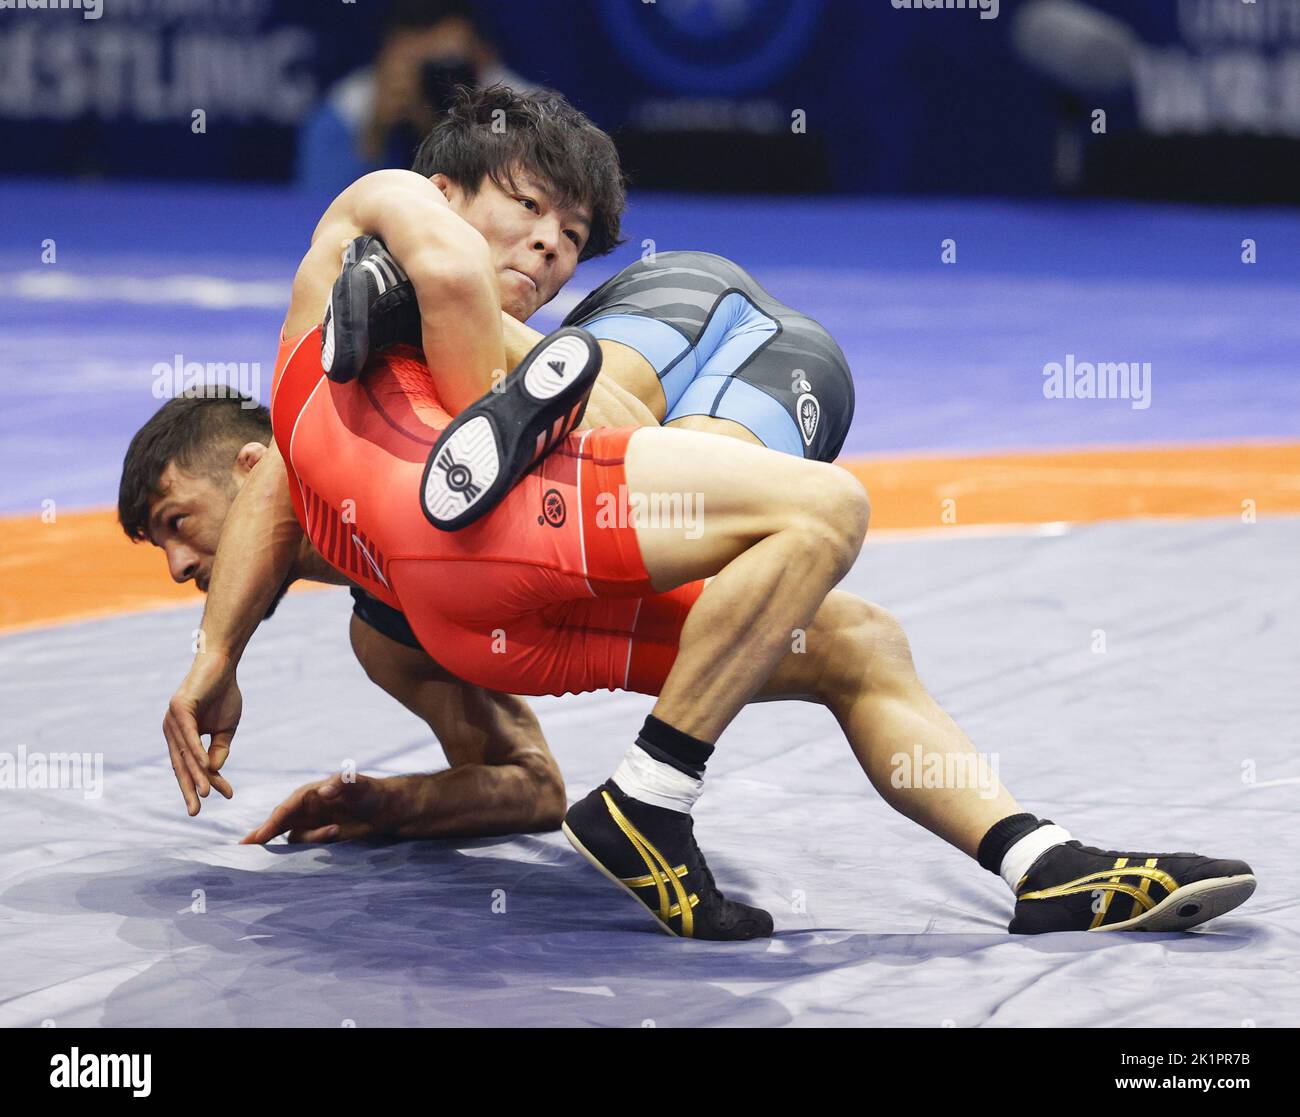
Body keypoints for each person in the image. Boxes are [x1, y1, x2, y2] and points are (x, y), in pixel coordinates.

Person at [158, 84, 1255, 940]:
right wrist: (217, 652)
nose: (550, 241)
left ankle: (1039, 862)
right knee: (813, 505)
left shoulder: (316, 425)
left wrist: (240, 678)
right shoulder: (378, 248)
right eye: (527, 205)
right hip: (495, 522)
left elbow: (528, 780)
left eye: (571, 230)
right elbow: (431, 284)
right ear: (447, 187)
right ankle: (649, 796)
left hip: (505, 608)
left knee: (853, 639)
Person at [297, 0, 535, 196]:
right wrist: (375, 134)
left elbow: (529, 200)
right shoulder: (347, 110)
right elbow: (318, 206)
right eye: (422, 70)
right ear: (384, 57)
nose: (435, 82)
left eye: (446, 66)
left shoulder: (526, 110)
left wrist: (448, 131)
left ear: (484, 55)